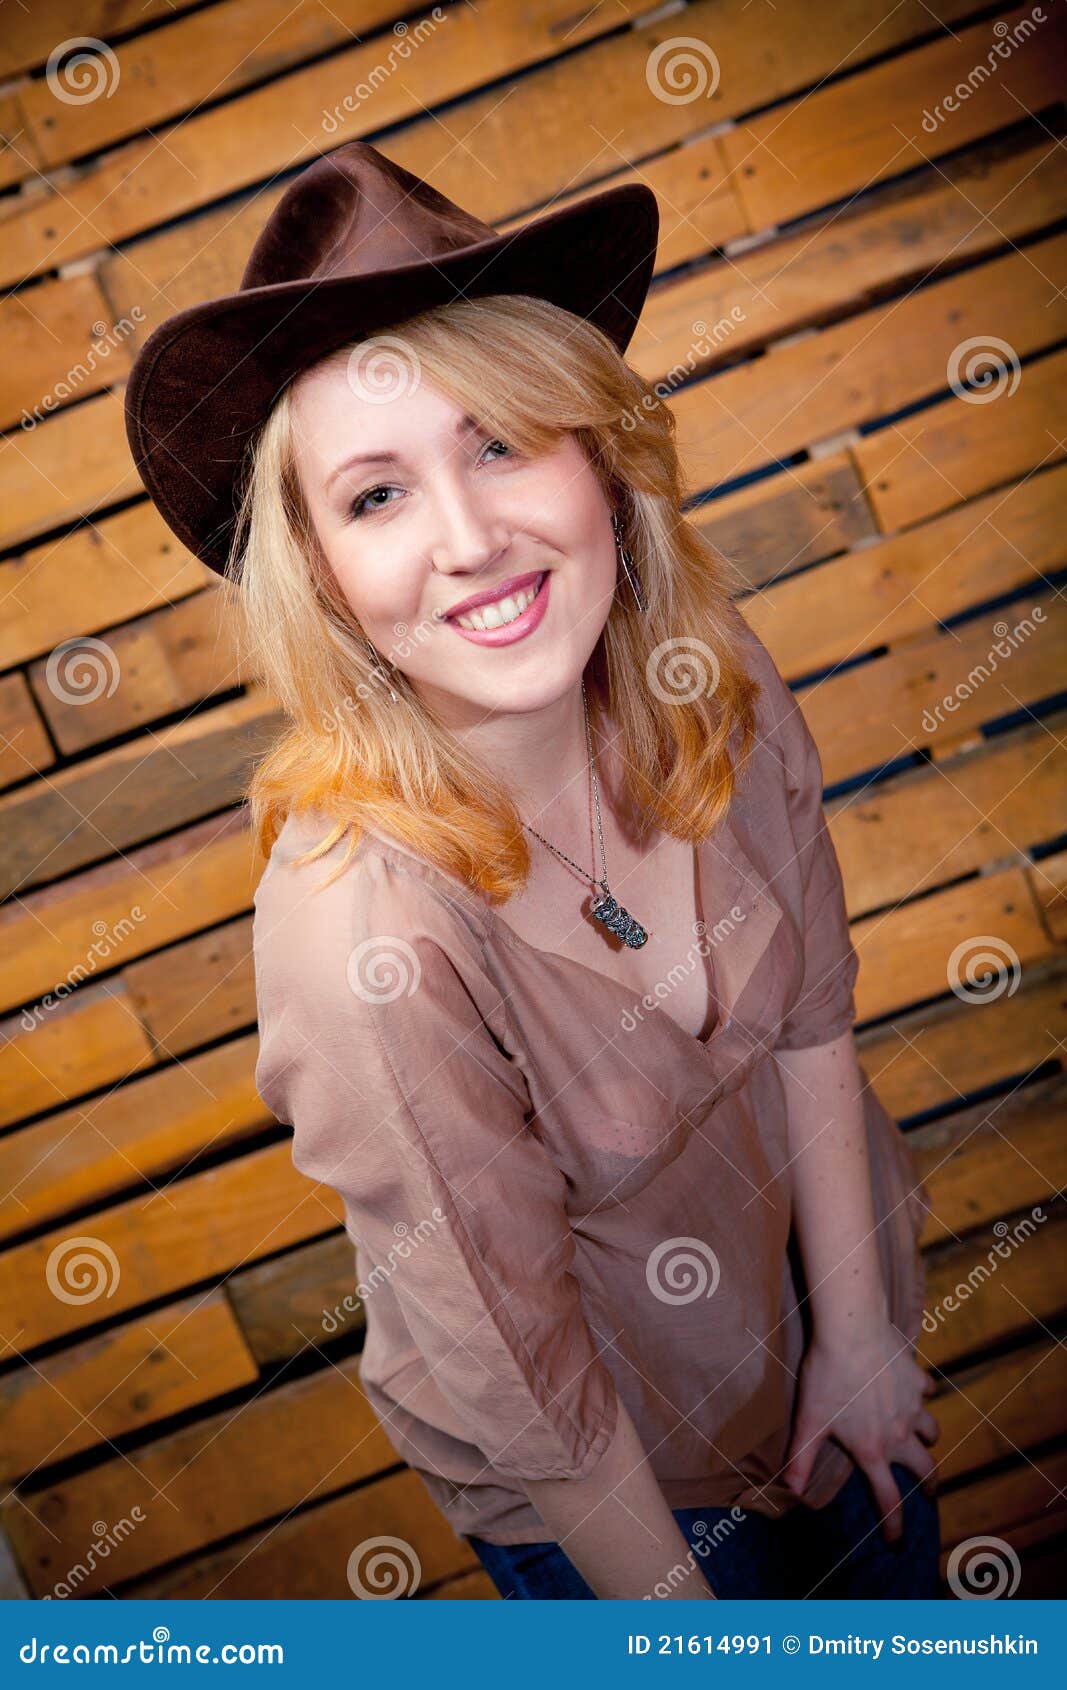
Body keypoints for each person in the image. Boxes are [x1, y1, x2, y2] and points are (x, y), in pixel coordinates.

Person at [125, 140, 941, 1601]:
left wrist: (865, 1335)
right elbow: (521, 1380)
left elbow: (813, 1006)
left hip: (833, 1324)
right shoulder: (363, 939)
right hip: (622, 1503)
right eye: (375, 496)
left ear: (598, 455)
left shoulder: (711, 675)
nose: (469, 538)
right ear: (320, 575)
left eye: (500, 440)